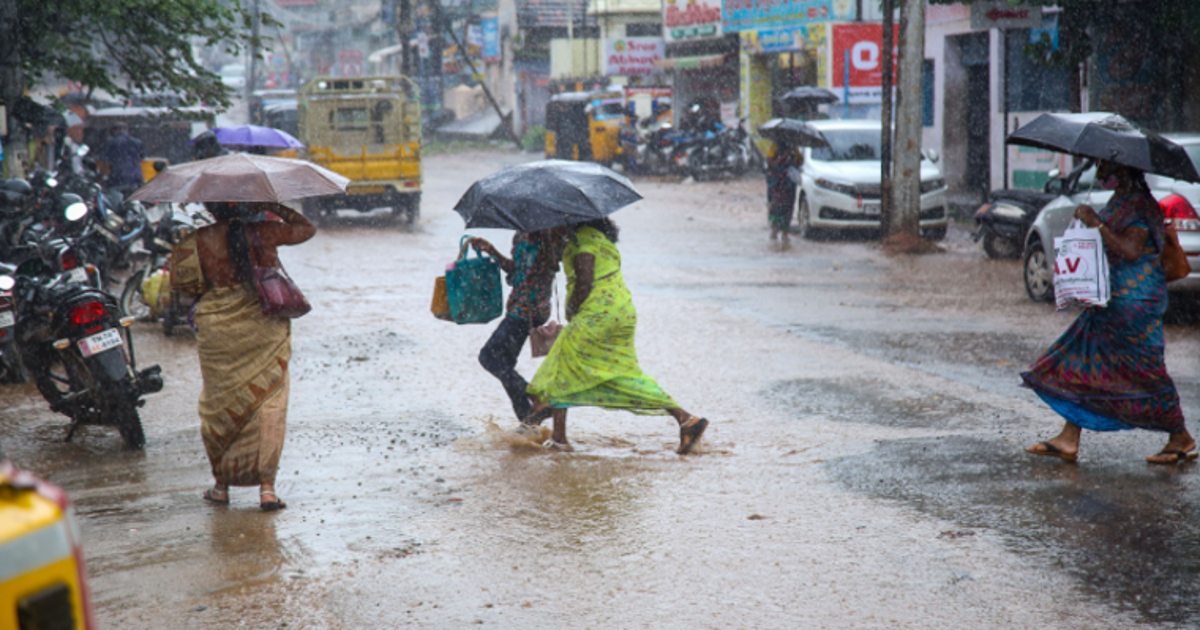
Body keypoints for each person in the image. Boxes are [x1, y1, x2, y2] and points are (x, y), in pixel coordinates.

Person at [1023, 160, 1194, 465]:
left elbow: (1130, 250)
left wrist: (1096, 223)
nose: (1100, 173)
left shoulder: (1140, 205)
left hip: (1136, 301)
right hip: (1111, 299)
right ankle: (1069, 436)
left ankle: (1180, 436)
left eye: (1105, 167)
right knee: (1084, 358)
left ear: (1123, 170)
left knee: (1145, 370)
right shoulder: (1121, 199)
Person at [173, 200, 316, 510]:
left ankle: (221, 486)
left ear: (211, 208)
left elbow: (182, 285)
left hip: (218, 330)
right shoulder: (266, 231)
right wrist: (275, 206)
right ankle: (267, 489)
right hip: (263, 324)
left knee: (219, 404)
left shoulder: (195, 240)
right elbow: (307, 228)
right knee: (268, 402)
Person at [524, 218, 710, 454]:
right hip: (622, 312)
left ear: (569, 220)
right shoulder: (599, 240)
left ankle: (559, 439)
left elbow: (585, 280)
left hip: (598, 314)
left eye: (553, 223)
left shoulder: (582, 243)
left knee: (561, 366)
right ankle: (687, 420)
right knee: (623, 372)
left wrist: (571, 308)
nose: (549, 227)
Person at [468, 228, 568, 424]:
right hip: (526, 308)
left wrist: (543, 244)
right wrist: (492, 251)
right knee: (505, 365)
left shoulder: (544, 237)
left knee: (488, 357)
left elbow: (535, 271)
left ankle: (535, 396)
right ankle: (528, 421)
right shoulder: (525, 235)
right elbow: (516, 270)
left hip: (525, 311)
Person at [765, 138, 799, 242]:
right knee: (775, 206)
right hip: (777, 183)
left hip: (788, 183)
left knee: (788, 207)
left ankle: (785, 232)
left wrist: (793, 159)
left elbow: (799, 162)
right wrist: (784, 156)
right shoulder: (774, 147)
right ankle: (774, 231)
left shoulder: (794, 149)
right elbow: (771, 163)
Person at [100, 122, 145, 196]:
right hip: (136, 180)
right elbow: (141, 158)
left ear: (114, 131)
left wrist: (100, 180)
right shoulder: (137, 142)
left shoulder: (111, 142)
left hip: (117, 179)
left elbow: (105, 163)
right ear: (127, 131)